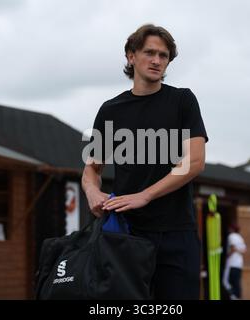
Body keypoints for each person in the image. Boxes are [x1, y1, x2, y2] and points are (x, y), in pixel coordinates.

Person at [81, 24, 208, 299]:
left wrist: (146, 195)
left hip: (176, 233)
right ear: (131, 56)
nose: (157, 60)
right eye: (150, 52)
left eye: (163, 55)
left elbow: (195, 161)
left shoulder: (182, 101)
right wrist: (92, 192)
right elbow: (91, 169)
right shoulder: (111, 110)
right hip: (128, 235)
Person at [223, 224, 246, 300]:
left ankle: (234, 297)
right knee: (236, 283)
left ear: (232, 229)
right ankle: (236, 296)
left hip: (232, 262)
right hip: (239, 264)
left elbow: (232, 248)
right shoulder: (240, 238)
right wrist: (238, 250)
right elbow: (244, 251)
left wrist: (227, 256)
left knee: (225, 282)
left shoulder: (231, 236)